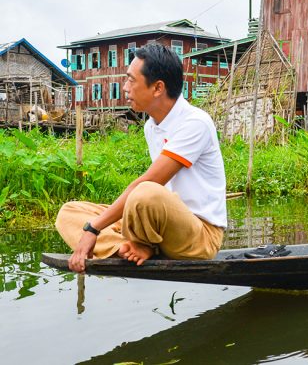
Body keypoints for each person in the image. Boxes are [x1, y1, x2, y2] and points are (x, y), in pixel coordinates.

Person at [55, 44, 227, 273]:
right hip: (159, 222)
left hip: (199, 234)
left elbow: (151, 183)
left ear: (157, 88)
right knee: (69, 212)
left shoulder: (195, 122)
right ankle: (125, 248)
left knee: (145, 192)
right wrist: (92, 225)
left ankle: (139, 245)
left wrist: (93, 229)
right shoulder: (151, 127)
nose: (125, 87)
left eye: (131, 80)